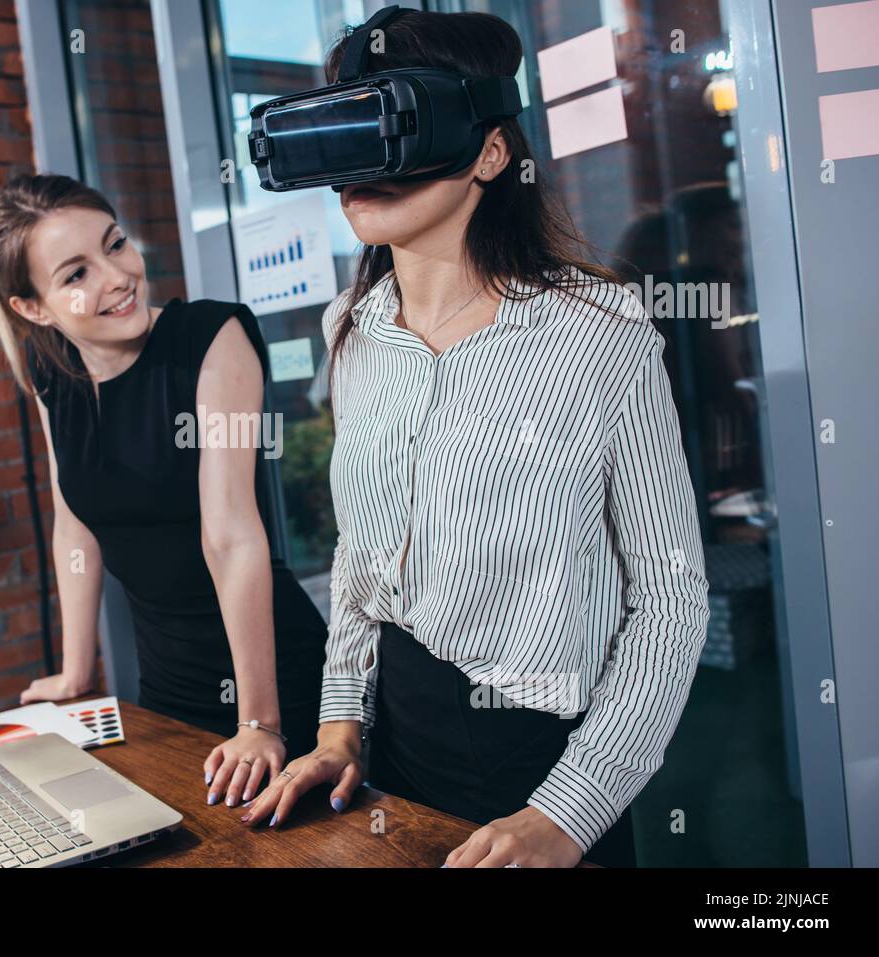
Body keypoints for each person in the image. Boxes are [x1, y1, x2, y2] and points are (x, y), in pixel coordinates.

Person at [239, 10, 710, 868]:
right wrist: (339, 731)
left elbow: (671, 600)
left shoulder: (599, 331)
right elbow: (361, 556)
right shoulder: (353, 327)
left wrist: (569, 814)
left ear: (491, 153)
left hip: (544, 756)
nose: (360, 166)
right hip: (397, 745)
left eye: (390, 123)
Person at [0, 173, 327, 808]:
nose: (115, 277)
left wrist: (259, 722)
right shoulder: (52, 370)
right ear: (33, 308)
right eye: (75, 274)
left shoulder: (212, 338)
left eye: (115, 245)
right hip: (163, 688)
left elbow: (230, 535)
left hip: (271, 677)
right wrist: (76, 670)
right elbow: (74, 520)